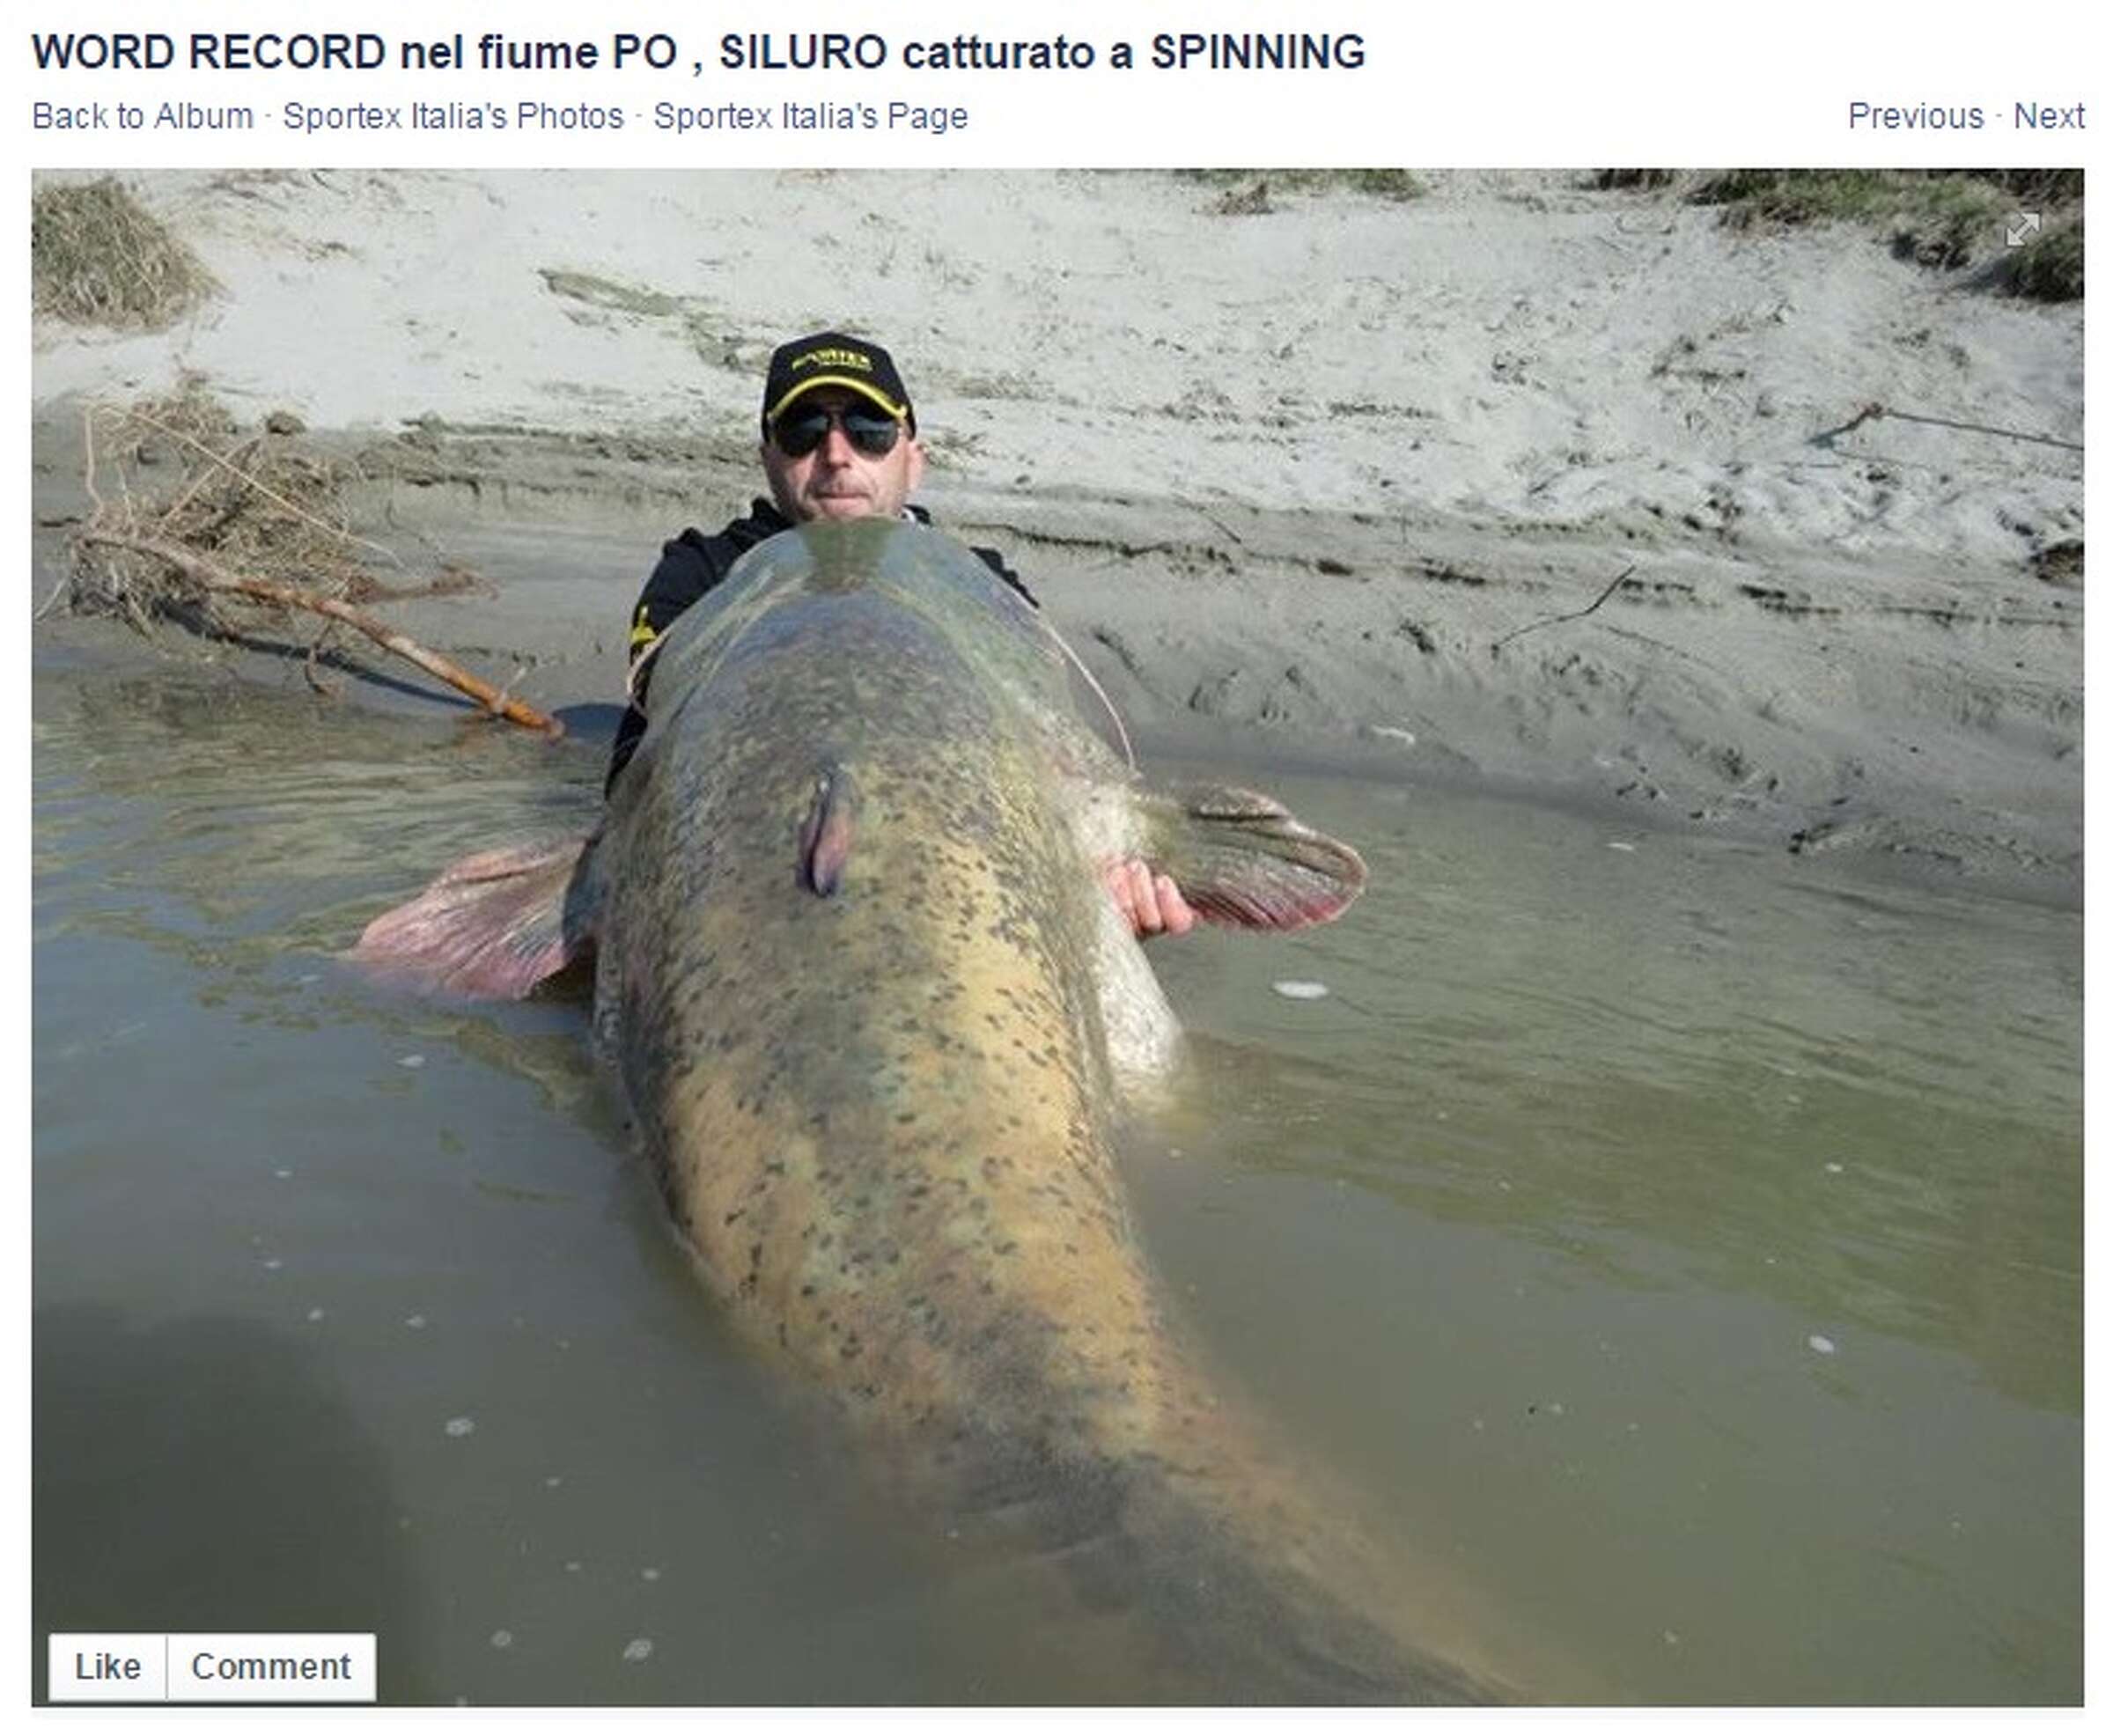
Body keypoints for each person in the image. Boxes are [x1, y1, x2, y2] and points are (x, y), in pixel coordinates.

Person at [608, 331, 1195, 938]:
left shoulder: (983, 580)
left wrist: (1101, 874)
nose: (837, 454)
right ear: (767, 457)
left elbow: (1043, 742)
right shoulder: (701, 571)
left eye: (869, 430)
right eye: (804, 430)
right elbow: (656, 738)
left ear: (914, 457)